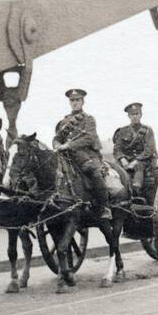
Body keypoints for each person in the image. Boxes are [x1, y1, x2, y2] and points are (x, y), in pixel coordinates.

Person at [53, 88, 111, 220]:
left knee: (94, 172)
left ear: (82, 101)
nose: (74, 103)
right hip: (69, 156)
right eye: (72, 100)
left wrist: (69, 145)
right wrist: (57, 146)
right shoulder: (64, 122)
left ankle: (104, 207)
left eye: (77, 100)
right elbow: (56, 138)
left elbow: (89, 138)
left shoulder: (89, 119)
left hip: (88, 155)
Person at [113, 102, 157, 198]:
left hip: (143, 161)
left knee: (138, 167)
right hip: (126, 161)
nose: (135, 117)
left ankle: (136, 193)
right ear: (129, 116)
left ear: (141, 115)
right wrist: (122, 158)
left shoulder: (147, 130)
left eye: (137, 114)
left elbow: (149, 149)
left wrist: (136, 160)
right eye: (132, 114)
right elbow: (117, 148)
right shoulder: (123, 131)